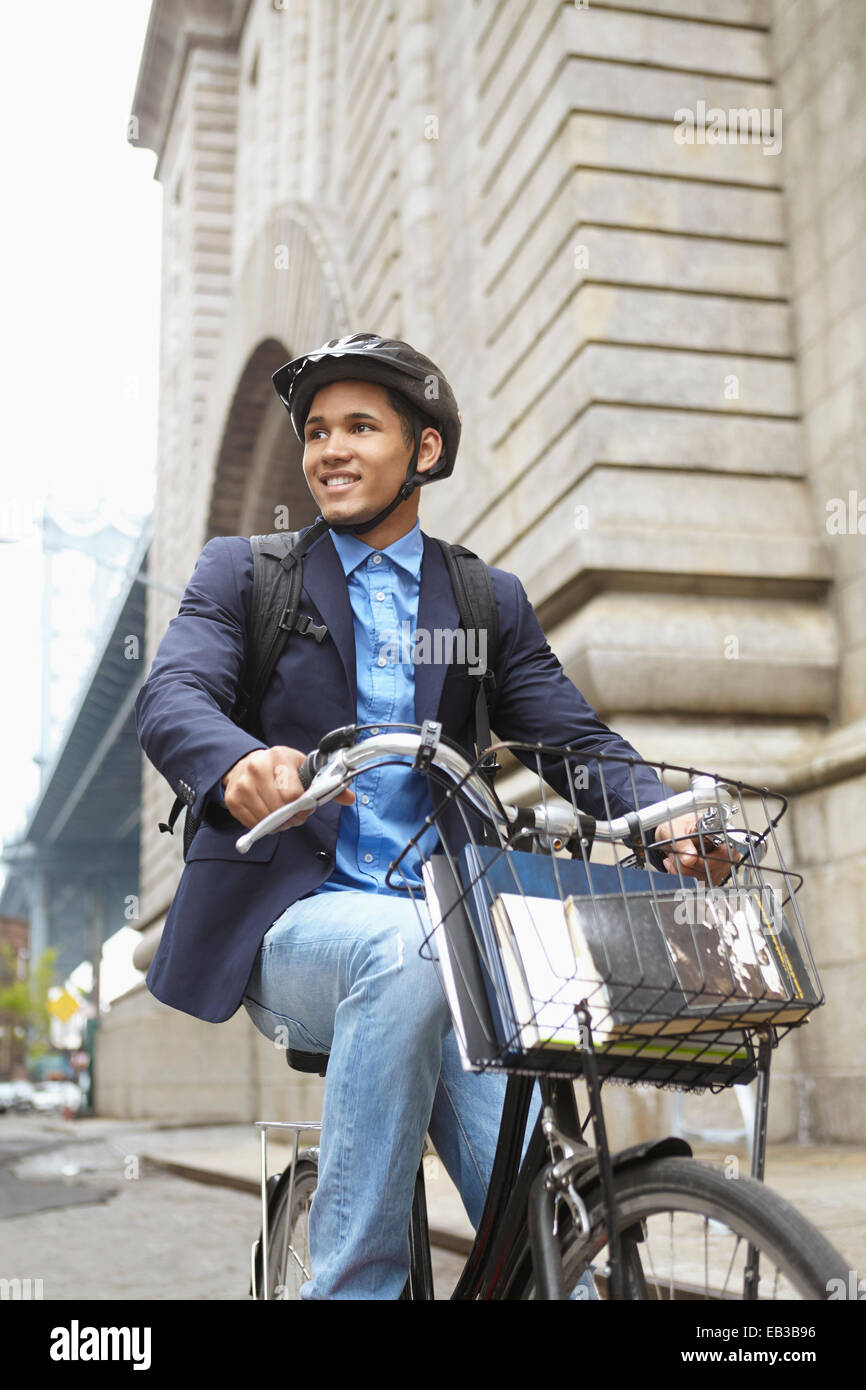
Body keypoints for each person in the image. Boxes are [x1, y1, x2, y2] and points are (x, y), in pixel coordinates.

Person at [136, 332, 735, 1299]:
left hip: (459, 940)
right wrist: (236, 760)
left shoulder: (482, 599)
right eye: (316, 431)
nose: (328, 449)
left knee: (550, 1228)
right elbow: (173, 696)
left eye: (359, 427)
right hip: (295, 921)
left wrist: (664, 818)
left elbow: (571, 742)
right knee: (402, 951)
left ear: (422, 451)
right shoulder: (247, 574)